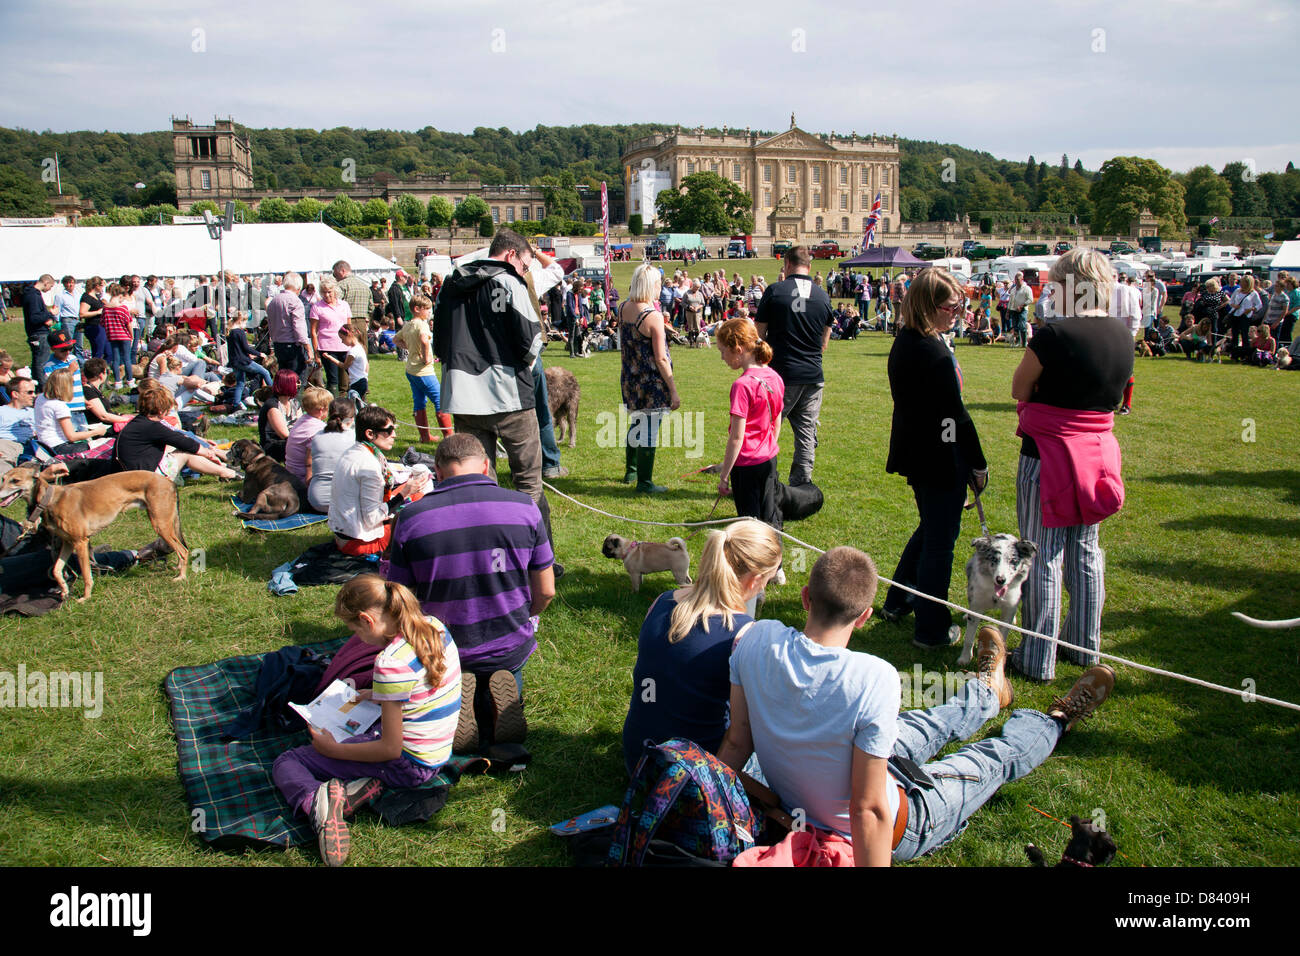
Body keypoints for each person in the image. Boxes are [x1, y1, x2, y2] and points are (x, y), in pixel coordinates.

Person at [717, 546, 1116, 866]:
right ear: (863, 618)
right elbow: (869, 809)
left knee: (928, 723)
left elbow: (737, 742)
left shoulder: (755, 639)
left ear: (805, 598)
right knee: (988, 761)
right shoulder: (874, 677)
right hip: (900, 822)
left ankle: (988, 692)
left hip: (829, 785)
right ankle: (1057, 719)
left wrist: (714, 809)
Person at [271, 574, 462, 867]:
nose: (358, 640)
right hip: (437, 751)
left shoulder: (389, 663)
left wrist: (332, 750)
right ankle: (357, 786)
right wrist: (375, 694)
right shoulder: (434, 626)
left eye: (355, 632)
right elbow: (419, 688)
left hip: (410, 765)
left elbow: (389, 749)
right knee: (363, 725)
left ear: (366, 620)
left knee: (287, 762)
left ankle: (317, 804)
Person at [386, 433, 554, 752]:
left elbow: (400, 597)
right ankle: (497, 708)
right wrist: (523, 614)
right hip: (509, 642)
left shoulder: (410, 518)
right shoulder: (525, 507)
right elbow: (546, 591)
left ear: (437, 470)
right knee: (504, 675)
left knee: (447, 687)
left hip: (442, 647)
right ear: (487, 465)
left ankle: (456, 707)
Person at [1009, 249, 1132, 682]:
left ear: (1069, 286)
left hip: (1049, 456)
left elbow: (1019, 386)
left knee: (1042, 555)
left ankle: (1037, 657)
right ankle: (1084, 648)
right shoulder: (1122, 332)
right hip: (1098, 454)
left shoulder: (1054, 334)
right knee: (1085, 551)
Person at [878, 268, 987, 649]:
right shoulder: (931, 350)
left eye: (961, 305)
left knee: (931, 529)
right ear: (929, 306)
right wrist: (977, 463)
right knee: (941, 542)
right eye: (951, 306)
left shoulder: (910, 340)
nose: (959, 312)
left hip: (921, 451)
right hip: (938, 456)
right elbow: (954, 416)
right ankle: (931, 629)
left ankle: (897, 600)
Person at [620, 519, 781, 777]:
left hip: (639, 759)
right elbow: (740, 740)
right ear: (755, 580)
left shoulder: (661, 601)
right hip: (689, 780)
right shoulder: (745, 635)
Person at [433, 228, 557, 555]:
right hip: (510, 397)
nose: (526, 272)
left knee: (476, 484)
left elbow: (439, 342)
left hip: (463, 397)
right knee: (529, 485)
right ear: (511, 255)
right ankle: (536, 558)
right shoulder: (509, 282)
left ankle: (483, 554)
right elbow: (532, 341)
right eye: (526, 265)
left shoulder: (450, 284)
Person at [757, 246, 834, 487]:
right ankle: (802, 483)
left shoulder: (775, 291)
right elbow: (825, 341)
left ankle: (763, 481)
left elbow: (758, 337)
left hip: (780, 375)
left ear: (787, 264)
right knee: (806, 433)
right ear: (809, 267)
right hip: (812, 374)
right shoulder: (823, 295)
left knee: (766, 429)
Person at [716, 317, 785, 539]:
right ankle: (777, 566)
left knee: (748, 522)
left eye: (723, 352)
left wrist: (724, 475)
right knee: (769, 514)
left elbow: (736, 437)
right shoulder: (775, 376)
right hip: (768, 459)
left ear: (737, 349)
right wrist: (770, 444)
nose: (722, 358)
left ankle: (755, 567)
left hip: (745, 464)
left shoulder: (742, 385)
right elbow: (777, 418)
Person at [619, 263, 680, 493]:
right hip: (652, 382)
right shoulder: (652, 315)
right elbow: (661, 358)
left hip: (630, 378)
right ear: (651, 285)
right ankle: (644, 483)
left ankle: (631, 471)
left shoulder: (623, 307)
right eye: (658, 283)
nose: (660, 287)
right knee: (649, 430)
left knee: (636, 423)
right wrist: (673, 389)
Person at [329, 405, 414, 556]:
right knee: (419, 519)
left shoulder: (354, 451)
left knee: (416, 494)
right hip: (360, 544)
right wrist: (404, 495)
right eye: (388, 431)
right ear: (370, 433)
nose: (394, 435)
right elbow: (372, 518)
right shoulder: (369, 466)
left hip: (345, 533)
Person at [112, 381, 238, 480]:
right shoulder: (153, 427)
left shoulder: (140, 421)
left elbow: (178, 437)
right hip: (143, 477)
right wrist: (207, 453)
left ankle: (223, 469)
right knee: (185, 453)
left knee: (179, 447)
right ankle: (227, 473)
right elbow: (184, 442)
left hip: (130, 472)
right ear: (161, 410)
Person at [395, 294, 451, 444]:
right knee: (440, 401)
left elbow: (396, 339)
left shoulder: (407, 325)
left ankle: (425, 437)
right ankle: (449, 437)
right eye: (426, 309)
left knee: (419, 402)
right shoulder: (422, 324)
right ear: (417, 309)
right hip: (423, 371)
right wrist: (426, 358)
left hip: (411, 370)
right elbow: (424, 340)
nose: (428, 313)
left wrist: (409, 347)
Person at [307, 397, 357, 513]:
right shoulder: (354, 438)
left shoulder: (317, 436)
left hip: (316, 501)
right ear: (352, 418)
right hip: (346, 503)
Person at [310, 276, 353, 395]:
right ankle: (333, 406)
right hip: (327, 347)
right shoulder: (317, 307)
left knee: (353, 376)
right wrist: (316, 352)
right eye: (324, 292)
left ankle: (355, 402)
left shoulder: (344, 305)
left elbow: (349, 327)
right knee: (333, 380)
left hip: (345, 346)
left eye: (329, 292)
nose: (327, 295)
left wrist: (353, 344)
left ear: (335, 291)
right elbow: (313, 331)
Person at [266, 272, 313, 377]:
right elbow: (299, 327)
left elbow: (270, 324)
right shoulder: (295, 301)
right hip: (292, 345)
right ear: (299, 287)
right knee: (297, 376)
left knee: (283, 376)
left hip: (278, 343)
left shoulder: (274, 300)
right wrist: (308, 347)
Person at [285, 386, 333, 484]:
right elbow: (311, 461)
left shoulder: (301, 420)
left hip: (290, 471)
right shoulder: (318, 429)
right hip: (303, 477)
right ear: (321, 410)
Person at [227, 312, 272, 409]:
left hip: (235, 361)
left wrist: (247, 354)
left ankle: (236, 404)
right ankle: (276, 395)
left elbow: (236, 349)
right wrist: (260, 354)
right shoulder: (240, 332)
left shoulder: (230, 332)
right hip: (243, 361)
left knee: (240, 382)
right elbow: (246, 348)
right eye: (245, 321)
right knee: (265, 372)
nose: (246, 324)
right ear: (240, 320)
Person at [258, 369, 301, 463]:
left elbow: (301, 426)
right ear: (287, 384)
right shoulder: (272, 406)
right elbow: (284, 435)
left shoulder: (294, 402)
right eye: (296, 382)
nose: (298, 385)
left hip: (292, 440)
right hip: (274, 445)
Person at [23, 275, 57, 385]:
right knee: (42, 363)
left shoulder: (33, 294)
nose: (50, 289)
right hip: (39, 333)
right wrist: (50, 314)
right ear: (46, 283)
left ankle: (37, 386)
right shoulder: (33, 296)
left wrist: (48, 317)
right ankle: (43, 388)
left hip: (38, 332)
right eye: (50, 286)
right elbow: (34, 317)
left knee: (37, 361)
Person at [0, 376, 37, 476]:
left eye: (34, 392)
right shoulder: (2, 412)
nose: (34, 395)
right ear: (15, 394)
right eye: (29, 392)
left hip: (32, 446)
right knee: (6, 472)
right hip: (7, 445)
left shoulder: (34, 412)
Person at [323, 324, 369, 404]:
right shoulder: (361, 347)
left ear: (349, 335)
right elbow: (367, 365)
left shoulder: (353, 351)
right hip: (363, 380)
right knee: (360, 404)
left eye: (342, 339)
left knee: (353, 406)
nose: (342, 342)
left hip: (356, 382)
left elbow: (344, 366)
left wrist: (330, 358)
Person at [100, 283, 136, 387]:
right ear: (120, 296)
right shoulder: (123, 308)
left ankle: (117, 381)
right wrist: (131, 336)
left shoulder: (106, 308)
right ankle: (130, 380)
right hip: (124, 336)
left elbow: (102, 323)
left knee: (115, 359)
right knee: (127, 358)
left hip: (112, 336)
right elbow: (128, 323)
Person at [80, 358, 132, 427]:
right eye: (107, 371)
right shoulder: (88, 391)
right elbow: (103, 416)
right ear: (101, 374)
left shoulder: (93, 389)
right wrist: (127, 420)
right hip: (101, 429)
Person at [334, 260, 374, 345]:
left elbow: (335, 304)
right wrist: (367, 319)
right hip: (362, 323)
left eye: (335, 274)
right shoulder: (365, 286)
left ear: (342, 271)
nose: (335, 277)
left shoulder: (341, 285)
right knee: (363, 349)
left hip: (346, 323)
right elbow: (371, 308)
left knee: (349, 349)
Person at [1008, 272, 1033, 347]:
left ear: (1022, 279)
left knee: (1022, 326)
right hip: (1013, 310)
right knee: (1015, 327)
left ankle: (1024, 343)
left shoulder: (1027, 288)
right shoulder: (1013, 289)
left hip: (1023, 310)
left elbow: (1030, 300)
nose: (1016, 281)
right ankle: (1018, 342)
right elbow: (1010, 301)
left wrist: (1021, 306)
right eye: (1015, 279)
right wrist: (1008, 311)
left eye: (1018, 279)